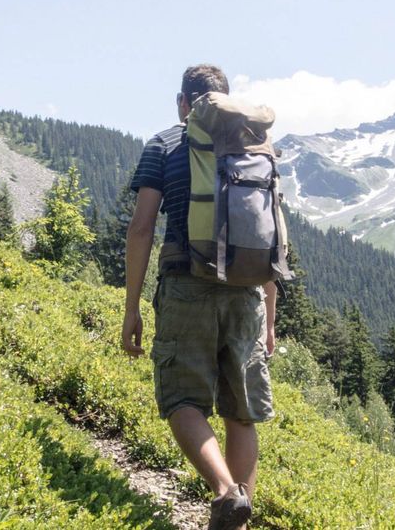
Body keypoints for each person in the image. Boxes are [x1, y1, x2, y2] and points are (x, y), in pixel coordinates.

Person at [122, 64, 277, 530]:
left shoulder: (166, 144)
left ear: (183, 103)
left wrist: (131, 307)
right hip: (246, 291)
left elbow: (142, 227)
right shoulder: (255, 148)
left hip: (185, 285)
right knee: (241, 410)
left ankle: (228, 494)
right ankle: (240, 516)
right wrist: (270, 318)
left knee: (182, 399)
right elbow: (270, 240)